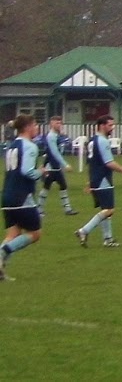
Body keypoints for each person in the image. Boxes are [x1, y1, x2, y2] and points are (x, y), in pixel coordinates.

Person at [73, 116, 122, 248]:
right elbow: (109, 163)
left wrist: (90, 181)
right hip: (103, 179)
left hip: (96, 179)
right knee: (109, 210)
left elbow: (91, 163)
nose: (112, 128)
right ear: (102, 125)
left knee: (105, 210)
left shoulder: (92, 141)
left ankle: (108, 239)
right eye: (110, 125)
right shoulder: (102, 141)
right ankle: (84, 231)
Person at [2, 115, 45, 281]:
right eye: (35, 125)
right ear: (27, 127)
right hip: (21, 196)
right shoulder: (30, 146)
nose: (37, 128)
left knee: (13, 234)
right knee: (35, 233)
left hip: (7, 194)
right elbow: (27, 171)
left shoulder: (12, 145)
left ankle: (0, 269)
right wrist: (40, 172)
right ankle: (3, 251)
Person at [35, 115, 78, 216]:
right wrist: (65, 164)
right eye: (56, 123)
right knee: (49, 187)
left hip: (55, 166)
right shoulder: (51, 136)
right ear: (51, 123)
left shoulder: (57, 135)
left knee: (59, 186)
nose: (59, 125)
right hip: (51, 167)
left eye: (60, 123)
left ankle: (66, 209)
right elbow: (54, 152)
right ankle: (40, 210)